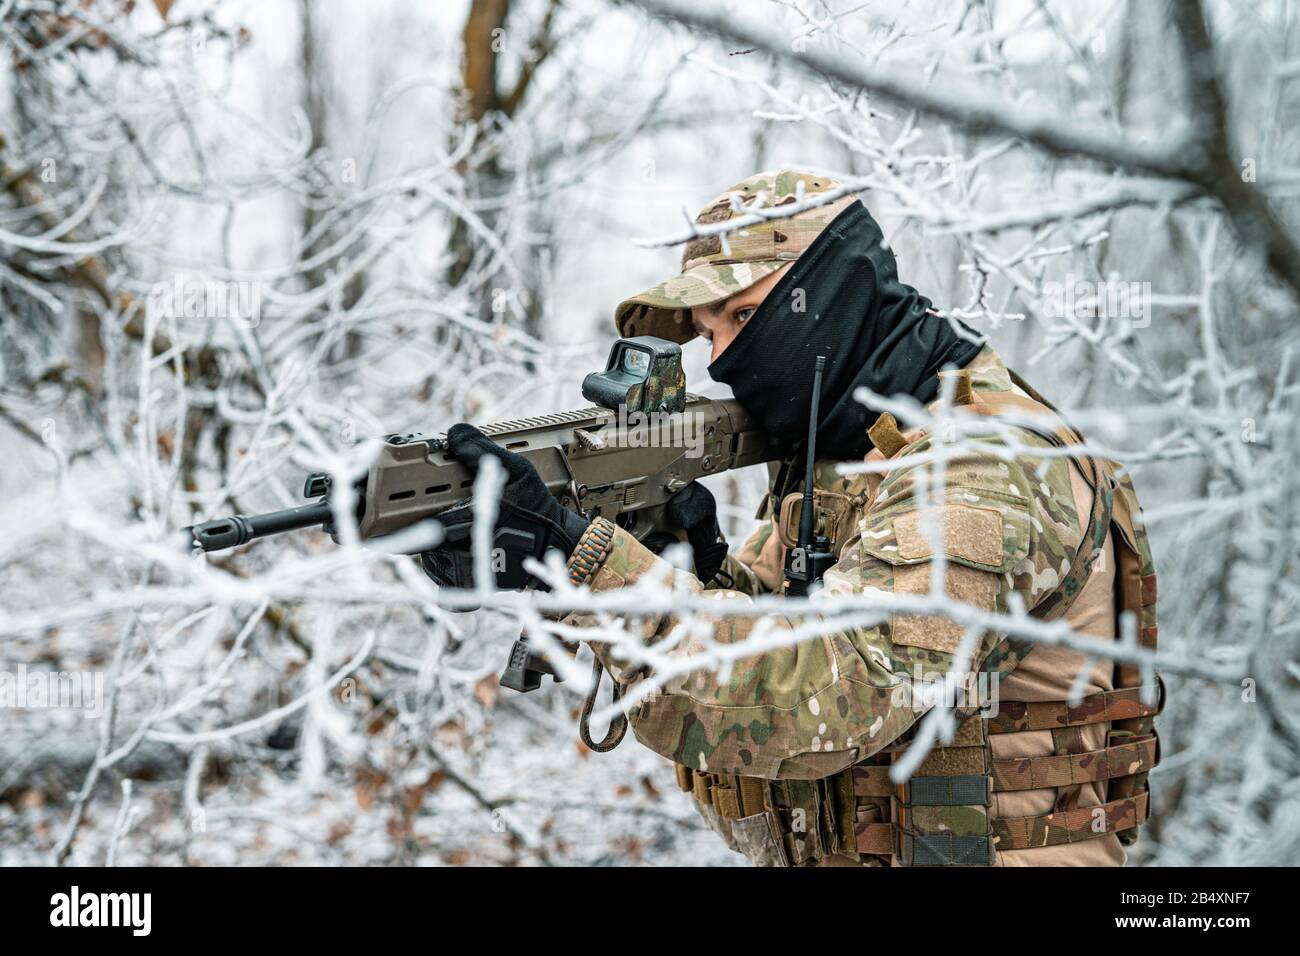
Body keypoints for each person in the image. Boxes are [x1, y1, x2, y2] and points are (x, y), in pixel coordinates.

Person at [425, 170, 1163, 866]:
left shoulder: (984, 466)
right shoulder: (848, 455)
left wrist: (590, 565)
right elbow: (781, 629)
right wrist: (695, 563)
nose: (720, 361)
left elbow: (829, 696)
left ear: (835, 296)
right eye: (709, 331)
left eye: (744, 315)